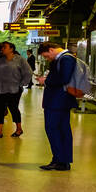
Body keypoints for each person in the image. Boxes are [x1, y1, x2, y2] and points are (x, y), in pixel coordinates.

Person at [36, 40, 77, 172]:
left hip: (58, 101)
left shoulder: (66, 59)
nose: (47, 59)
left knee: (53, 129)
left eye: (47, 56)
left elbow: (64, 78)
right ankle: (62, 160)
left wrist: (46, 80)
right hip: (59, 101)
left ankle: (60, 160)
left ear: (51, 50)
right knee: (61, 130)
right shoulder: (64, 58)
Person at [0, 42, 30, 139]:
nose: (2, 49)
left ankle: (19, 129)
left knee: (13, 109)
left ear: (11, 49)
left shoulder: (20, 59)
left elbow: (28, 72)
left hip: (13, 90)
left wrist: (21, 84)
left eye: (4, 47)